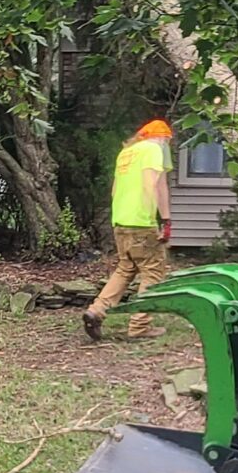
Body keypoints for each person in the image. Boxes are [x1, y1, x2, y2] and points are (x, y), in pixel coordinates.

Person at [81, 118, 175, 342]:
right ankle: (140, 326)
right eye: (166, 142)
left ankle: (96, 310)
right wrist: (165, 220)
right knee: (153, 272)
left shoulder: (126, 153)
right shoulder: (153, 149)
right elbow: (155, 185)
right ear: (162, 138)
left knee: (126, 268)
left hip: (121, 221)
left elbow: (115, 190)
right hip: (141, 222)